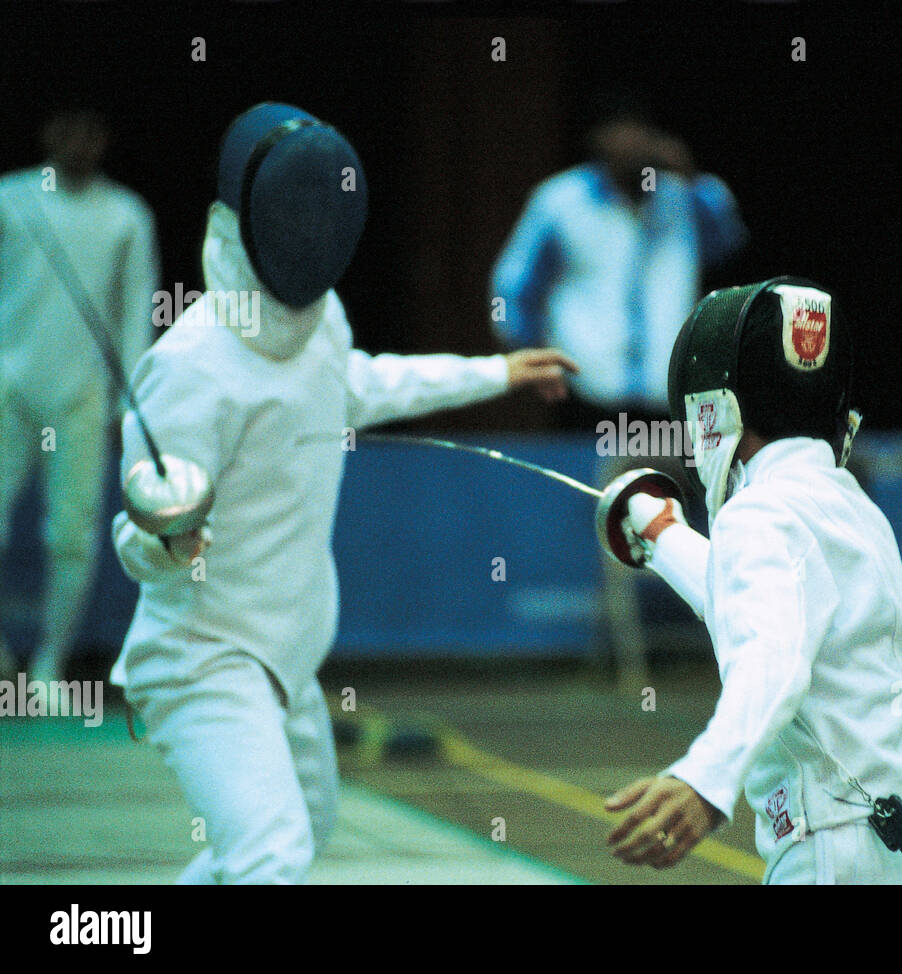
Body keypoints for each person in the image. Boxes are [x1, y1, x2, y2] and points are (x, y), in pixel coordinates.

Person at [109, 103, 575, 884]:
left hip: (283, 660)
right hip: (201, 661)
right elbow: (140, 534)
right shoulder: (190, 365)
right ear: (243, 215)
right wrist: (166, 540)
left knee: (301, 829)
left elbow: (353, 384)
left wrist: (492, 371)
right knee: (271, 852)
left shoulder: (320, 320)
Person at [602, 278, 902, 884]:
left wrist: (705, 777)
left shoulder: (757, 514)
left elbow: (773, 653)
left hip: (834, 857)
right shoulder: (850, 508)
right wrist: (660, 534)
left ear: (711, 410)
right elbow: (759, 604)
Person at [0, 109, 159, 683]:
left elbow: (136, 308)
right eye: (67, 128)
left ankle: (48, 669)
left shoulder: (126, 215)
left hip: (82, 399)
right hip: (7, 389)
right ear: (47, 133)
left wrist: (128, 402)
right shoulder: (11, 198)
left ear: (105, 139)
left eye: (92, 130)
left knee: (71, 536)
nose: (79, 142)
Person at [490, 97, 747, 428]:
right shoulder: (561, 201)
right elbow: (513, 288)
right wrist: (536, 361)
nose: (633, 142)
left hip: (669, 393)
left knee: (663, 480)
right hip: (586, 393)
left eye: (641, 132)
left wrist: (692, 177)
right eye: (622, 131)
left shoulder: (682, 197)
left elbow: (729, 244)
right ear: (599, 139)